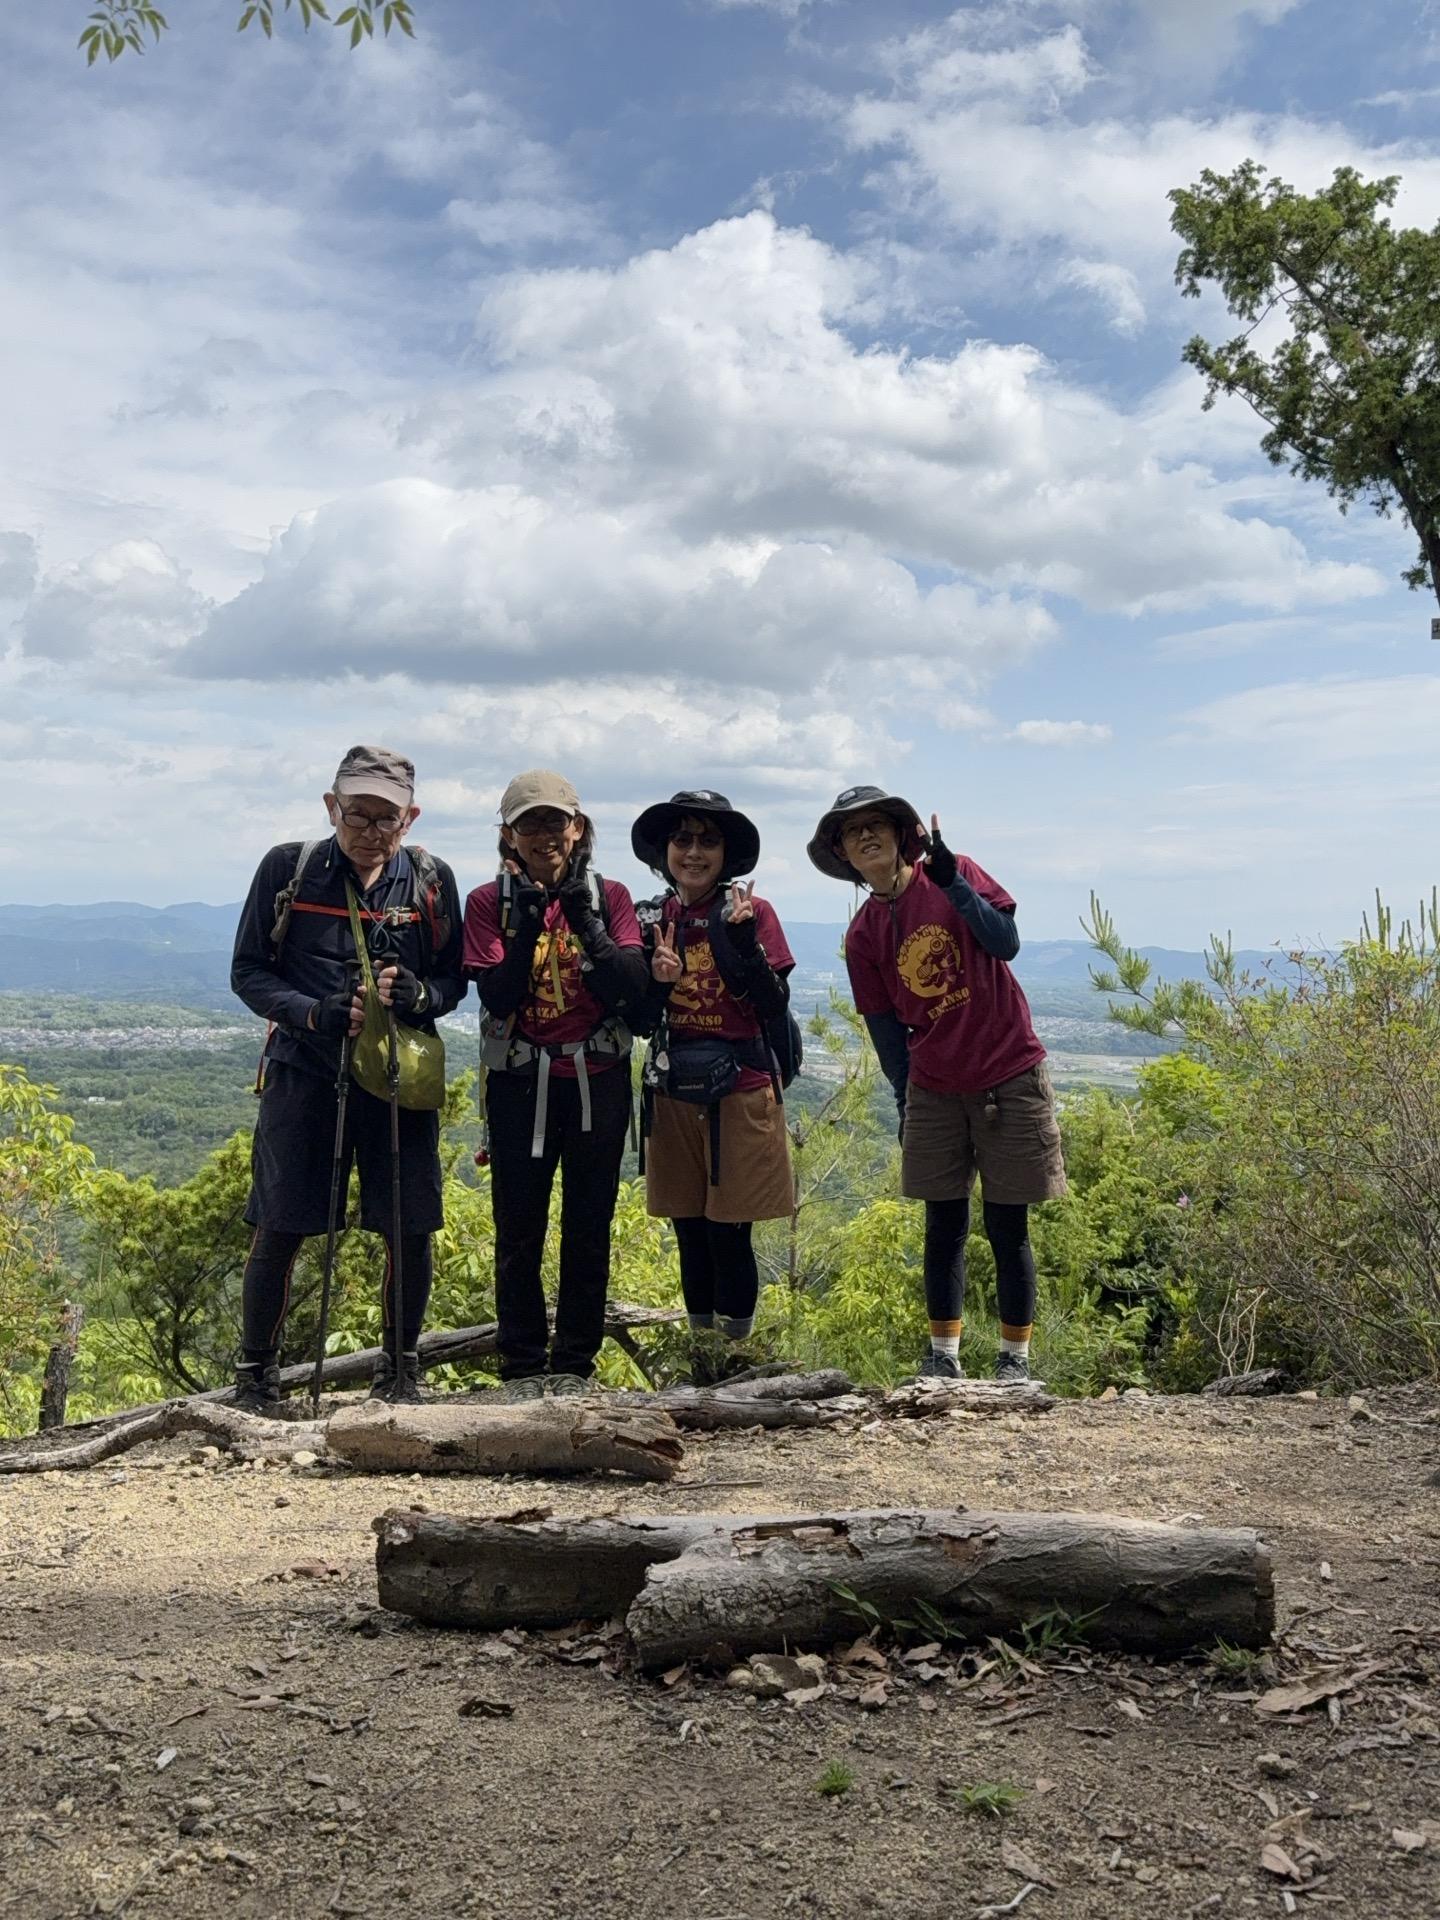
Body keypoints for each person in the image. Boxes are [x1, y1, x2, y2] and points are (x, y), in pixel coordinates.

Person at [230, 745, 465, 1409]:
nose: (369, 831)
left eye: (384, 818)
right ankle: (256, 1380)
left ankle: (400, 1373)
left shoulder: (430, 881)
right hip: (302, 1072)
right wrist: (312, 1013)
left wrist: (421, 995)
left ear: (410, 818)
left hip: (396, 1078)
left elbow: (455, 979)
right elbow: (248, 971)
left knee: (408, 1225)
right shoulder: (289, 870)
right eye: (357, 814)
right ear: (331, 807)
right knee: (280, 1223)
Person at [807, 785, 1066, 1383]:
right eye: (852, 831)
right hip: (935, 1088)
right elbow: (885, 1030)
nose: (866, 836)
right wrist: (906, 1098)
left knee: (1008, 1227)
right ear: (843, 853)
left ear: (902, 834)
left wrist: (954, 883)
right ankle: (942, 1359)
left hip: (1009, 1074)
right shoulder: (864, 935)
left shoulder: (957, 873)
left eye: (877, 824)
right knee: (942, 1225)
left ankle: (1013, 1362)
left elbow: (1006, 944)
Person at [462, 771, 648, 1399]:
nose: (543, 835)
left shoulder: (611, 896)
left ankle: (572, 1366)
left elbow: (630, 983)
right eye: (528, 823)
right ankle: (520, 1365)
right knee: (518, 1227)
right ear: (507, 836)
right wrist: (527, 925)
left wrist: (582, 919)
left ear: (579, 828)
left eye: (554, 821)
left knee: (589, 1224)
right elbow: (496, 992)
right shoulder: (489, 903)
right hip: (520, 1081)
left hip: (597, 1077)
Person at [630, 790, 796, 1383]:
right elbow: (640, 1022)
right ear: (665, 851)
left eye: (707, 840)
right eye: (682, 840)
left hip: (741, 1088)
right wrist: (655, 982)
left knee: (730, 1232)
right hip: (674, 1090)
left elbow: (773, 1004)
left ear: (727, 853)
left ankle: (736, 1362)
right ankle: (704, 1363)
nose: (693, 852)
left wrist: (745, 945)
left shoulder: (752, 914)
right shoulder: (653, 919)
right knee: (689, 1229)